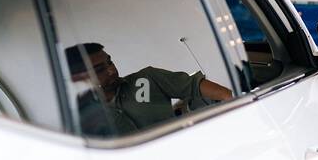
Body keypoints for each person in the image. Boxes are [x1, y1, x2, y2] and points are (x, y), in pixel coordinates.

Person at [65, 42, 235, 137]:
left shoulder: (147, 79)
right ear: (78, 78)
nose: (111, 70)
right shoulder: (77, 115)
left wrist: (234, 113)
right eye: (99, 69)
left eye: (110, 62)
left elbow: (204, 88)